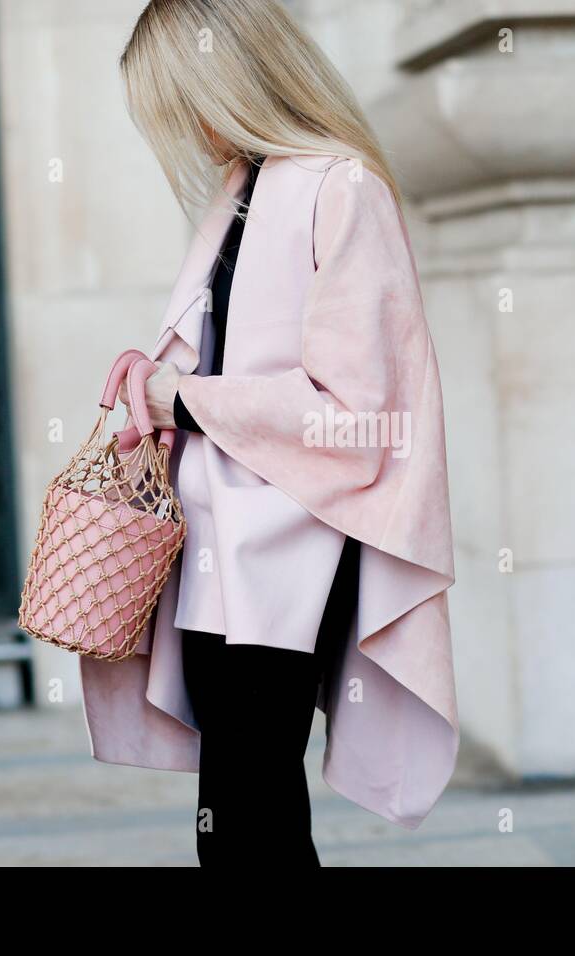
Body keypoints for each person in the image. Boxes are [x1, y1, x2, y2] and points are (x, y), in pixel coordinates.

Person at [79, 0, 458, 867]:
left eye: (181, 103)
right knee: (241, 814)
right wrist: (160, 374)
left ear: (232, 78)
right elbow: (225, 361)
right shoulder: (241, 190)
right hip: (213, 545)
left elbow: (357, 411)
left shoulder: (337, 186)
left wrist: (188, 396)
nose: (183, 130)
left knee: (252, 814)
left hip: (287, 552)